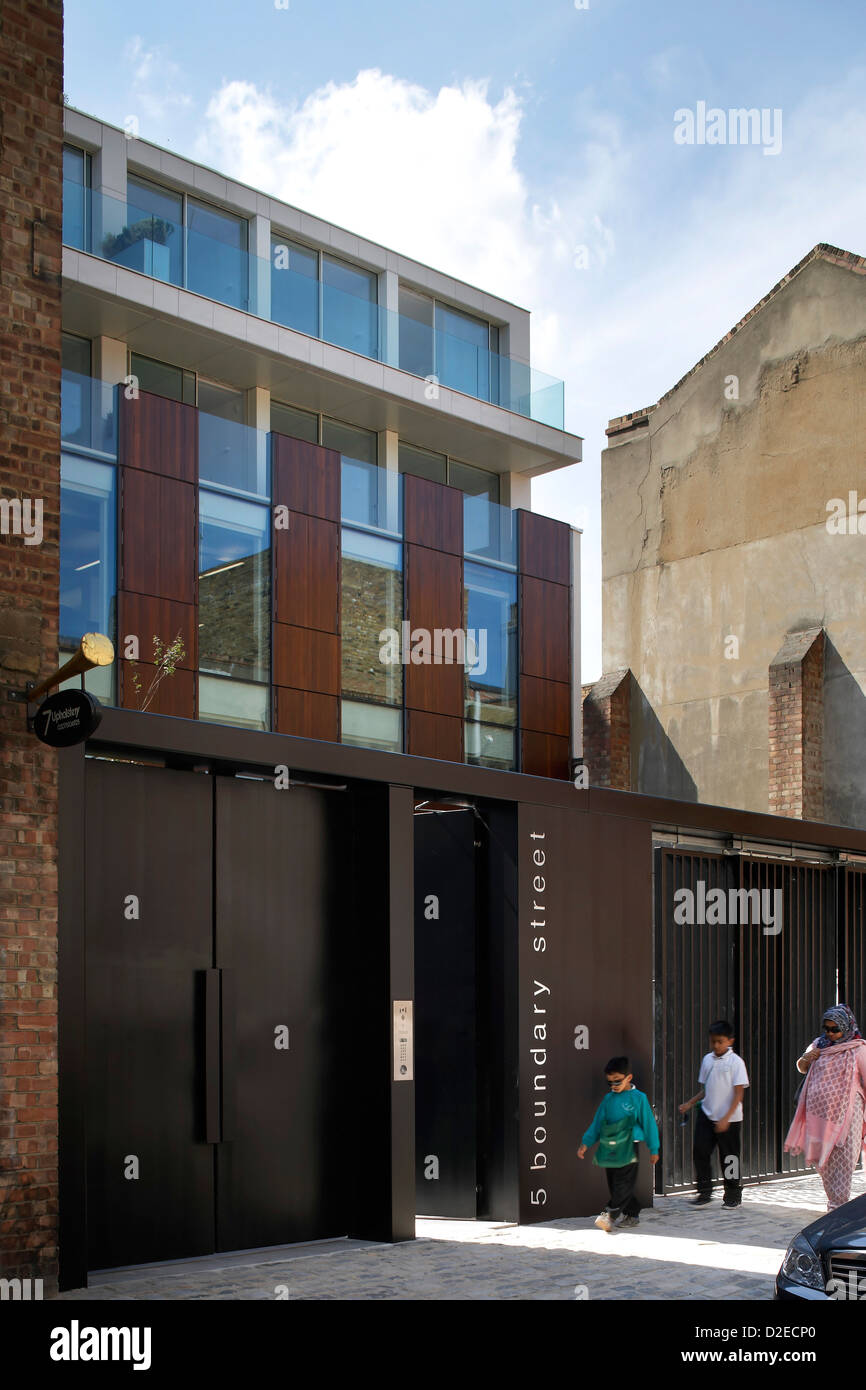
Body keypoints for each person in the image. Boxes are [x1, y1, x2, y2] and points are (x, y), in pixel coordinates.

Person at [784, 1003, 866, 1212]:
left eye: (835, 1029)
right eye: (827, 1029)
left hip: (847, 1117)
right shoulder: (819, 1045)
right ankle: (834, 1202)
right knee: (824, 1163)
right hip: (819, 1117)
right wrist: (806, 1058)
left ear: (847, 1027)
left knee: (844, 1160)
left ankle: (837, 1206)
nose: (830, 1034)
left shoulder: (858, 1050)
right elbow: (802, 1067)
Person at [578, 1056, 660, 1231]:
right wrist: (586, 1143)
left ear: (628, 1078)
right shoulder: (608, 1100)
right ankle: (632, 1212)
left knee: (623, 1182)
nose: (613, 1086)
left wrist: (654, 1148)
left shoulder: (639, 1098)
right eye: (610, 1083)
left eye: (617, 1081)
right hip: (610, 1146)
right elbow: (597, 1123)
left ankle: (609, 1215)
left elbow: (649, 1123)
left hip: (629, 1146)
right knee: (616, 1184)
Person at [679, 1020, 749, 1208]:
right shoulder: (707, 1060)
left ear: (730, 1041)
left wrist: (726, 1118)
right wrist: (690, 1103)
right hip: (707, 1115)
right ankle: (704, 1193)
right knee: (700, 1152)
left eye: (720, 1041)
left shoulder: (736, 1062)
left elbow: (739, 1093)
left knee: (730, 1158)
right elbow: (706, 1089)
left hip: (730, 1120)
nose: (716, 1045)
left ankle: (733, 1195)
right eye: (713, 1042)